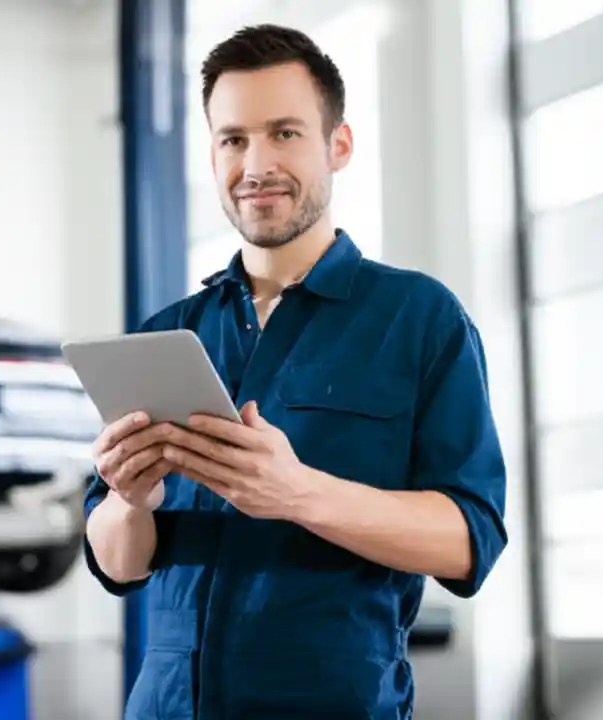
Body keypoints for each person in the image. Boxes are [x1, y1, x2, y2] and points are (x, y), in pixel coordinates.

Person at [82, 23, 507, 719]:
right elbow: (119, 563)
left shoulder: (419, 318)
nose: (255, 165)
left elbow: (469, 541)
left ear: (337, 146)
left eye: (284, 133)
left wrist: (297, 492)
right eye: (233, 139)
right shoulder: (166, 335)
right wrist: (128, 500)